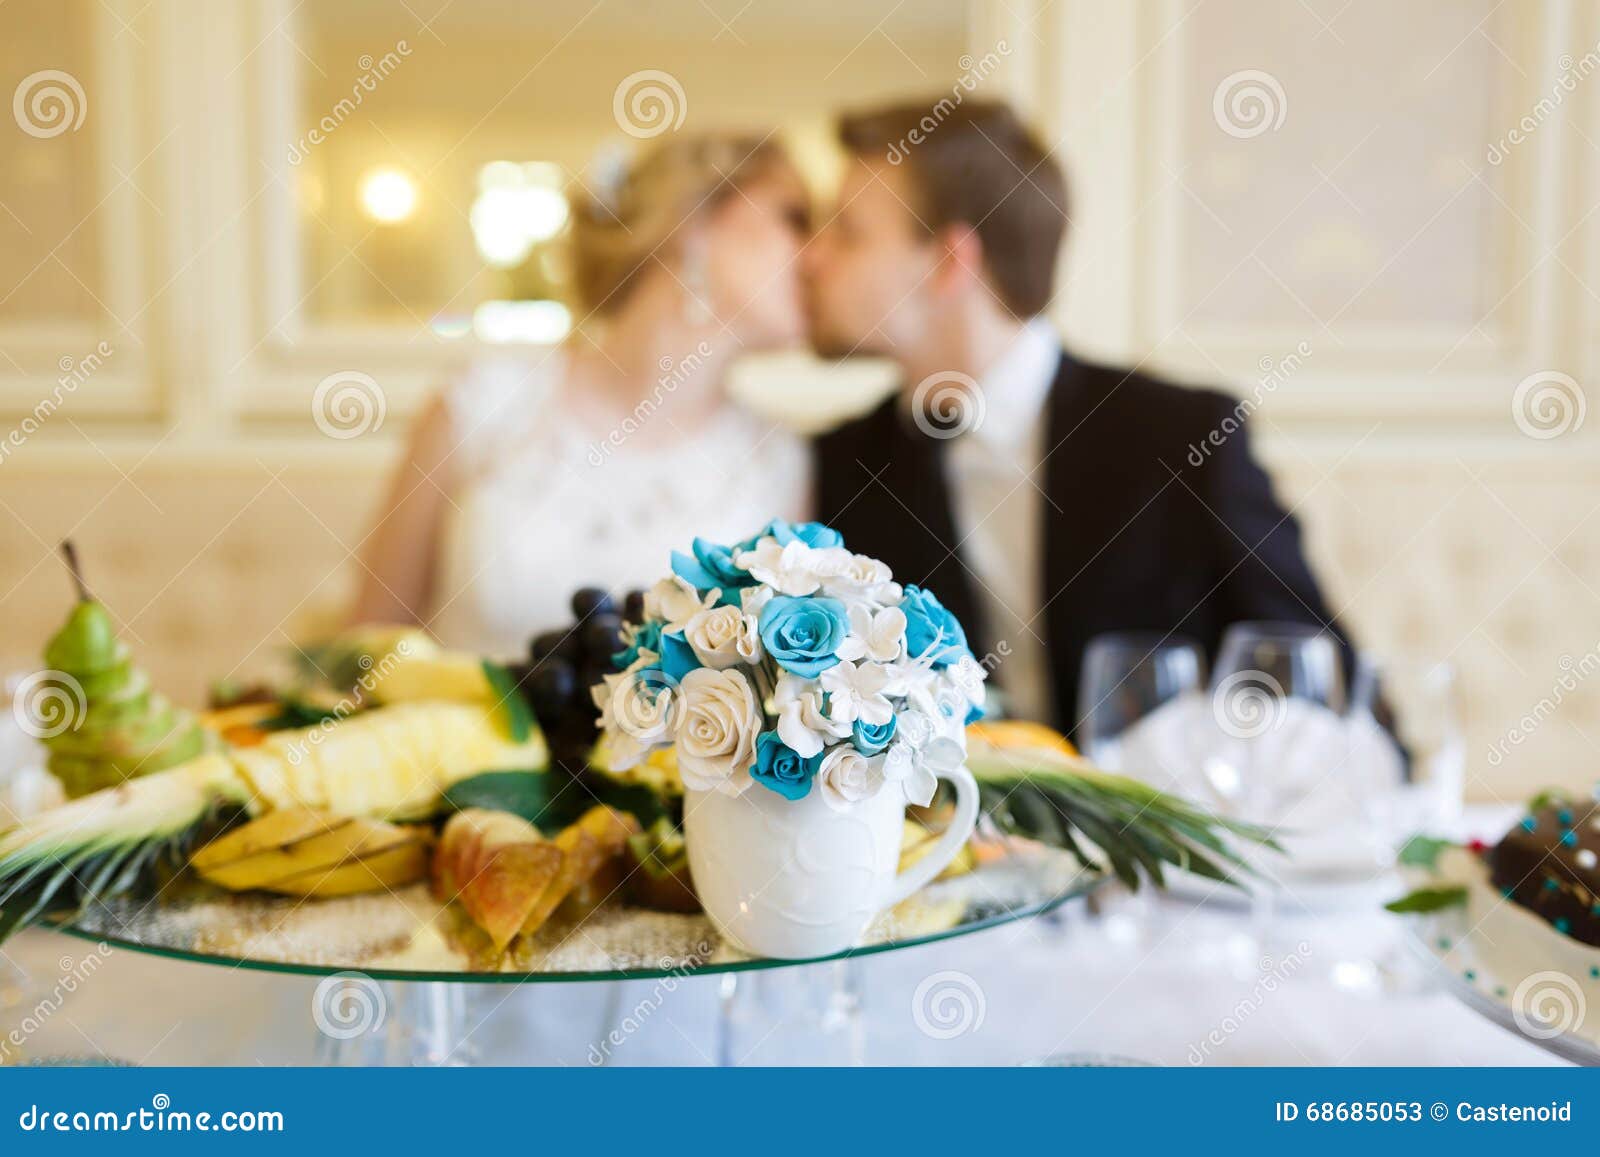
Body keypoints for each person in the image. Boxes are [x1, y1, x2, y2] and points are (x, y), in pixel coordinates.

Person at [803, 100, 1352, 733]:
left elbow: (1325, 687)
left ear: (951, 261)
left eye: (846, 231)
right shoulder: (843, 465)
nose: (812, 259)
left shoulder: (1183, 437)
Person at [351, 134, 811, 656]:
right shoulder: (482, 404)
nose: (817, 253)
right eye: (794, 218)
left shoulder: (779, 461)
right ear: (695, 223)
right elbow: (366, 651)